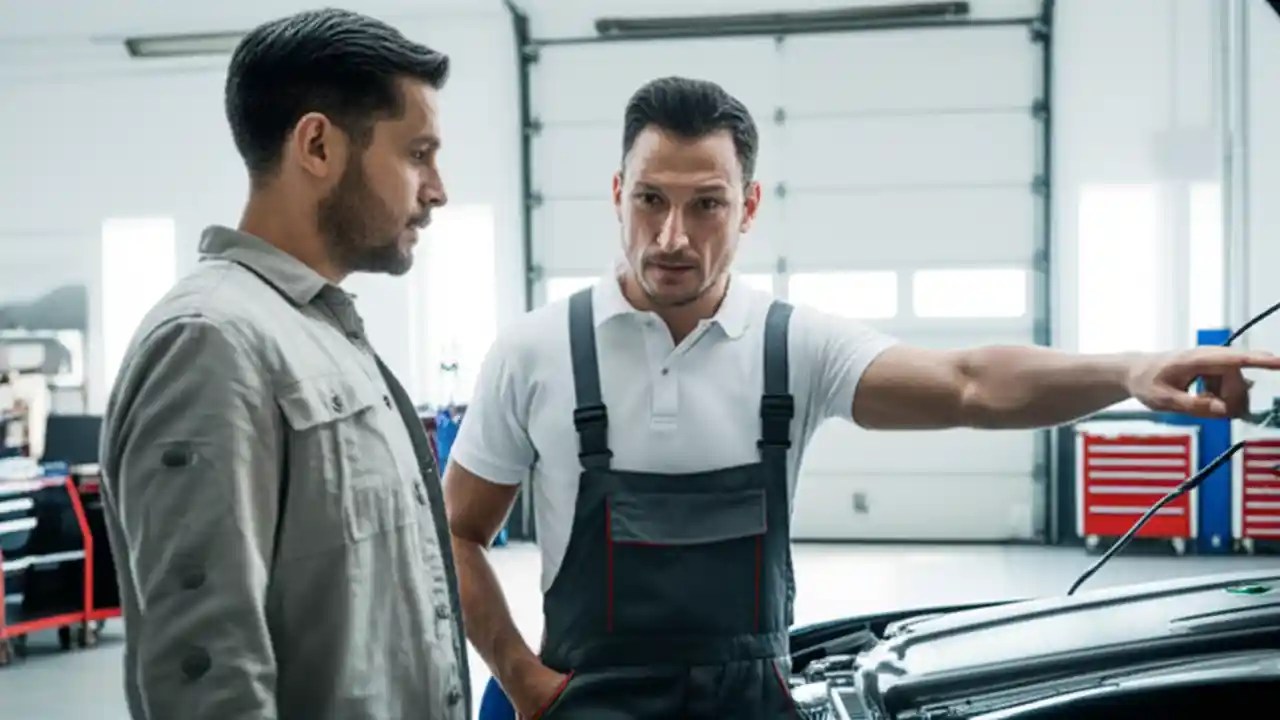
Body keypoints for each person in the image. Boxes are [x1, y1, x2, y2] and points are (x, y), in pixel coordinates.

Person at [444, 75, 1280, 719]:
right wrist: (521, 677)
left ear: (750, 208)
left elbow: (970, 383)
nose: (672, 237)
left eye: (707, 206)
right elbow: (459, 532)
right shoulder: (535, 351)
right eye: (651, 200)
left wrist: (1128, 371)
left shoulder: (792, 347)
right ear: (617, 193)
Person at [98, 9, 469, 719]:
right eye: (418, 154)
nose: (437, 188)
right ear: (318, 145)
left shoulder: (322, 336)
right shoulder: (211, 345)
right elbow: (206, 672)